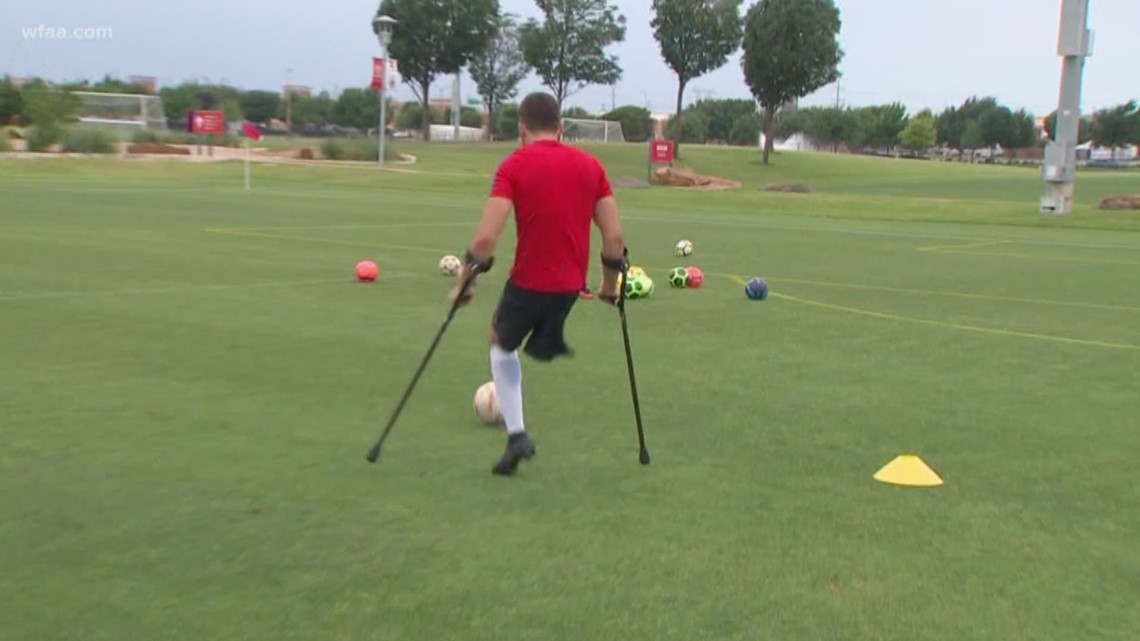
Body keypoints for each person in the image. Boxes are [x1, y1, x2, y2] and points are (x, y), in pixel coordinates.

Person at [449, 91, 627, 476]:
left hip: (530, 282)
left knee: (499, 341)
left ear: (522, 128)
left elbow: (484, 241)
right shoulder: (591, 165)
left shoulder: (514, 164)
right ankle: (518, 429)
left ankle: (517, 435)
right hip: (569, 290)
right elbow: (614, 238)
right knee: (512, 339)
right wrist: (610, 287)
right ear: (561, 127)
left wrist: (465, 285)